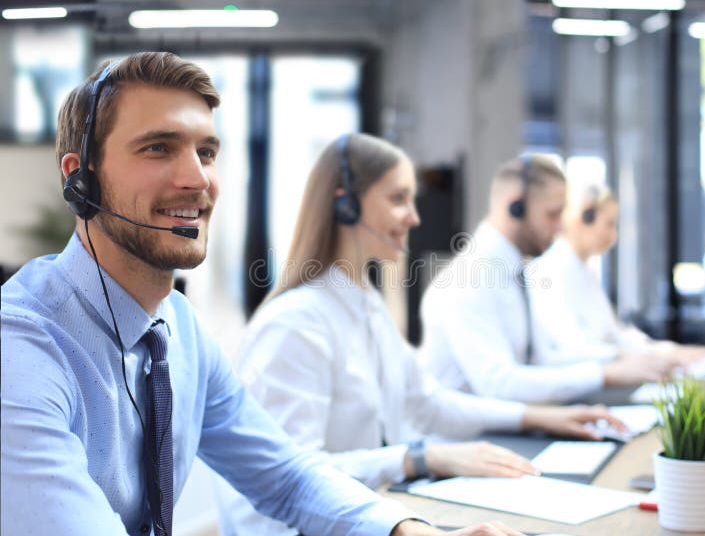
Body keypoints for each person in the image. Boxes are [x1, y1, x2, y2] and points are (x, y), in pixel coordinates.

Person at [1, 52, 526, 536]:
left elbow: (285, 474)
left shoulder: (178, 328)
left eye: (206, 152)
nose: (197, 178)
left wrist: (407, 531)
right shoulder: (21, 350)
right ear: (80, 180)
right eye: (158, 148)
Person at [216, 134, 625, 535]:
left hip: (371, 515)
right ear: (345, 204)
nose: (414, 217)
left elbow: (426, 401)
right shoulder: (295, 325)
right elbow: (293, 481)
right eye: (398, 199)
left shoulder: (365, 303)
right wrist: (419, 458)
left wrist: (542, 417)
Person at [419, 156, 679, 404]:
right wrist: (605, 373)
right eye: (553, 215)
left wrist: (624, 363)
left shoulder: (516, 272)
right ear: (515, 207)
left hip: (498, 432)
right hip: (458, 442)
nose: (560, 227)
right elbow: (497, 383)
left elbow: (543, 357)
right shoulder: (470, 277)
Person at [530, 183, 705, 366]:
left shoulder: (585, 273)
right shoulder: (549, 273)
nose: (613, 236)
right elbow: (574, 348)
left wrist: (667, 351)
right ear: (583, 218)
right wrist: (652, 357)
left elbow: (614, 334)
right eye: (609, 224)